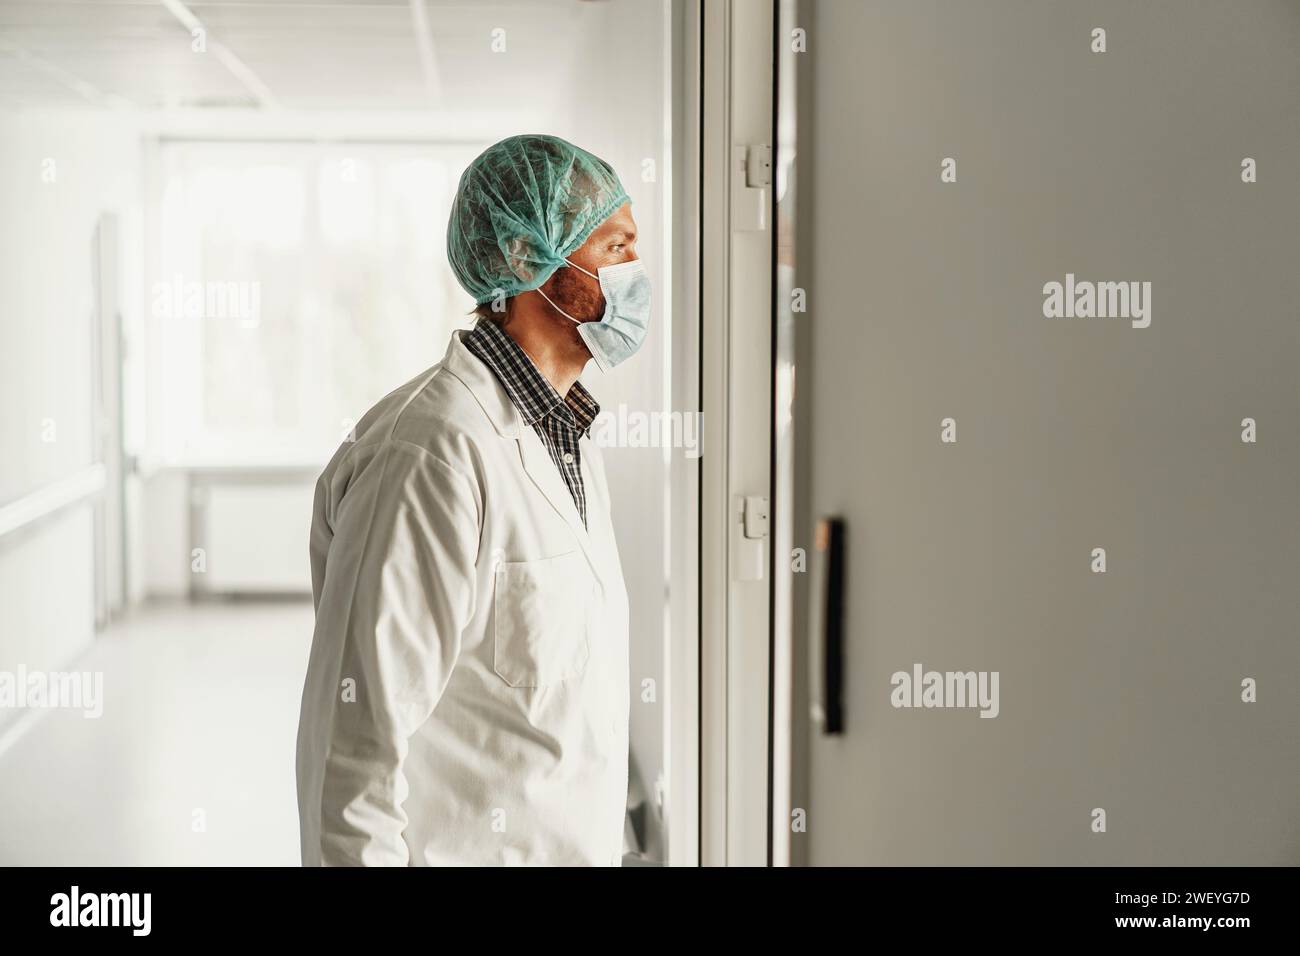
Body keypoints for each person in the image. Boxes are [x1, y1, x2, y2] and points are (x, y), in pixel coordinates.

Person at [294, 134, 650, 866]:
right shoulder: (428, 454)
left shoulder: (567, 432)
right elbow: (352, 756)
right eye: (616, 247)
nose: (636, 276)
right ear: (528, 259)